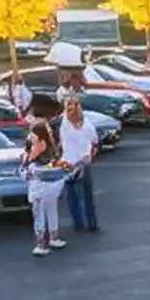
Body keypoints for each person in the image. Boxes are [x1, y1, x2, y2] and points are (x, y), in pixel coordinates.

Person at [22, 121, 69, 257]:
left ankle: (41, 244)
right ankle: (54, 238)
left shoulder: (39, 144)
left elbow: (29, 160)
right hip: (52, 183)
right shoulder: (51, 146)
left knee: (39, 214)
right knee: (52, 210)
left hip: (39, 184)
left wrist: (27, 151)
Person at [59, 97, 99, 232]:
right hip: (83, 161)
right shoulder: (86, 123)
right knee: (87, 195)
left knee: (72, 195)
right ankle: (91, 222)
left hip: (69, 162)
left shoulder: (65, 123)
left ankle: (78, 222)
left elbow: (63, 141)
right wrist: (91, 154)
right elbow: (94, 140)